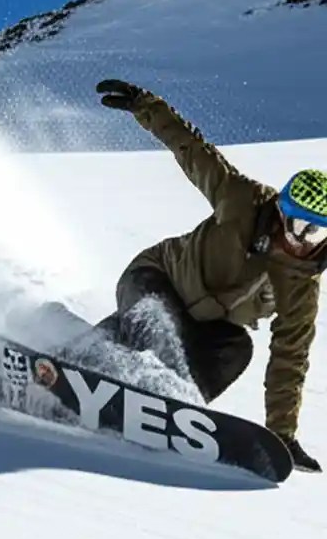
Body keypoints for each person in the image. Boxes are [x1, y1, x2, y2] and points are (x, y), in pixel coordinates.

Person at [59, 78, 324, 472]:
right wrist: (146, 107)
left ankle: (171, 412)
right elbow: (193, 150)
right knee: (156, 326)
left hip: (203, 325)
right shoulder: (241, 200)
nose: (305, 242)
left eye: (318, 232)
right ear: (283, 212)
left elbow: (290, 358)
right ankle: (68, 367)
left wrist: (281, 436)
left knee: (237, 349)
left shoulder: (303, 283)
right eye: (302, 228)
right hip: (154, 277)